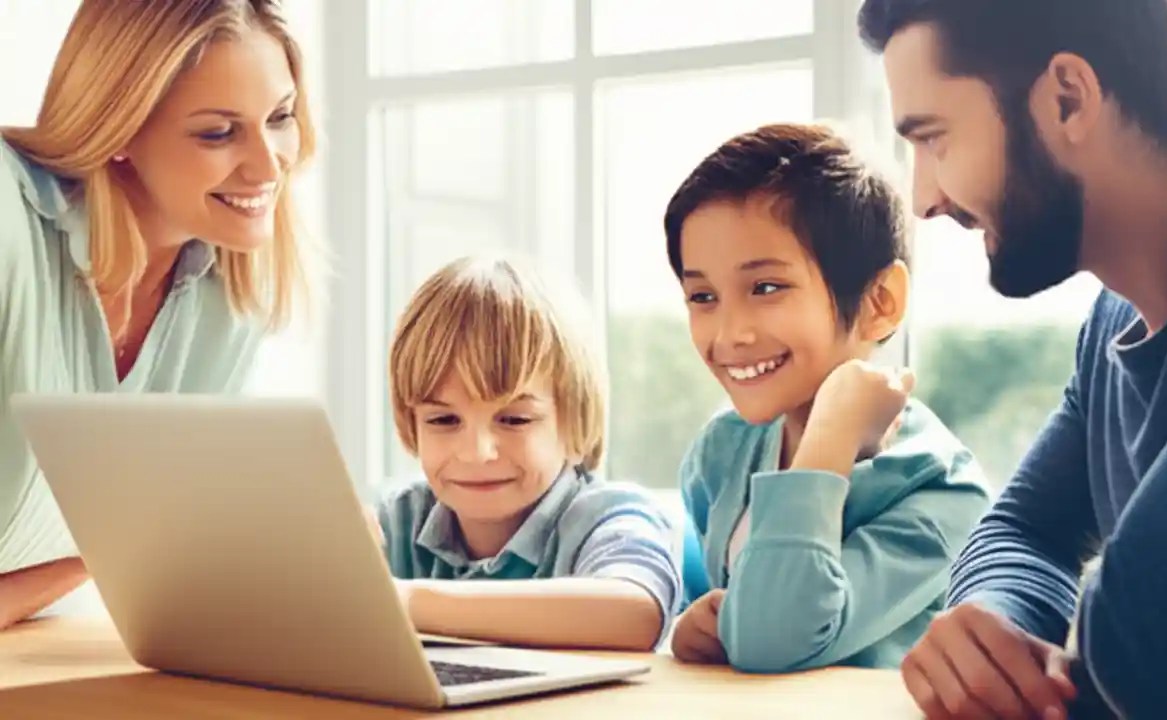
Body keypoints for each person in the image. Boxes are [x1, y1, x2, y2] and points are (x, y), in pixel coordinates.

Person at [859, 0, 1167, 717]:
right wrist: (996, 635)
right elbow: (1023, 530)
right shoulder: (1110, 332)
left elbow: (1156, 627)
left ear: (1068, 98)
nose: (924, 198)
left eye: (935, 140)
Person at [0, 0, 317, 630]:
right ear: (116, 127)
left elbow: (153, 549)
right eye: (217, 132)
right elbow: (147, 538)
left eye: (280, 118)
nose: (268, 162)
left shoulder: (229, 291)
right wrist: (144, 539)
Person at [665, 123, 990, 673]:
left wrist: (830, 441)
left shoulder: (942, 491)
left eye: (766, 288)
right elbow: (742, 634)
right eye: (703, 296)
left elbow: (777, 642)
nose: (729, 334)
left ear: (880, 302)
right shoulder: (721, 453)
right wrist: (696, 629)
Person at [374, 256, 680, 651]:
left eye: (515, 420)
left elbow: (636, 615)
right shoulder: (398, 521)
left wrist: (407, 601)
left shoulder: (607, 517)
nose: (477, 453)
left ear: (573, 422)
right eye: (444, 420)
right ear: (411, 422)